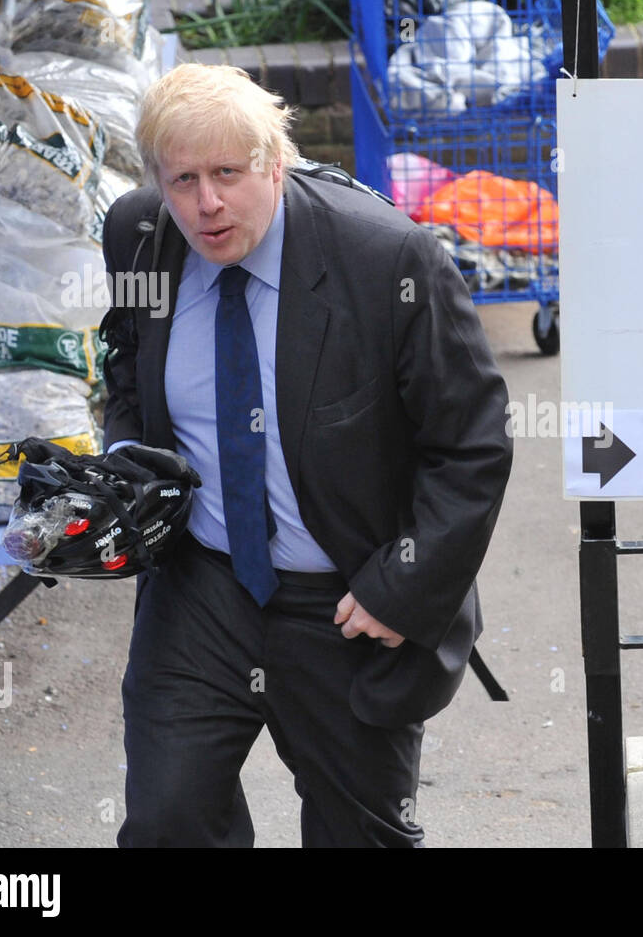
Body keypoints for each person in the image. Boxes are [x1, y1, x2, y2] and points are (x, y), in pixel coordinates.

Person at [97, 63, 513, 847]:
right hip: (204, 586)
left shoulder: (388, 260)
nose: (206, 203)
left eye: (228, 172)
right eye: (182, 178)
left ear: (274, 162)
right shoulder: (141, 234)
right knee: (167, 821)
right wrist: (125, 462)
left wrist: (404, 585)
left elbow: (472, 444)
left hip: (347, 600)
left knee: (358, 834)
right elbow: (127, 359)